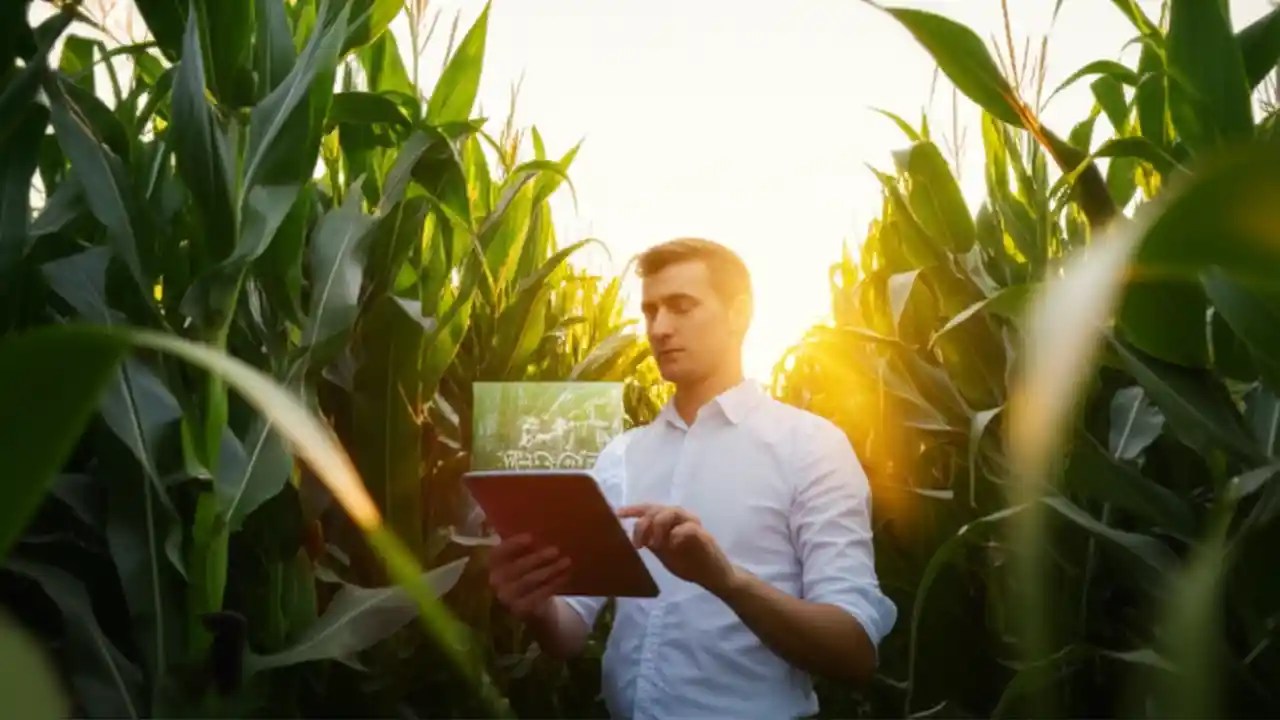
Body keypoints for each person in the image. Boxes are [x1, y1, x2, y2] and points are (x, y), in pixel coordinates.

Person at [485, 237, 897, 719]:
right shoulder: (621, 455)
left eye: (681, 307)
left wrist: (725, 581)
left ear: (738, 314)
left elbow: (854, 651)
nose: (659, 328)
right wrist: (534, 603)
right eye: (650, 311)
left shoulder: (810, 447)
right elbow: (569, 632)